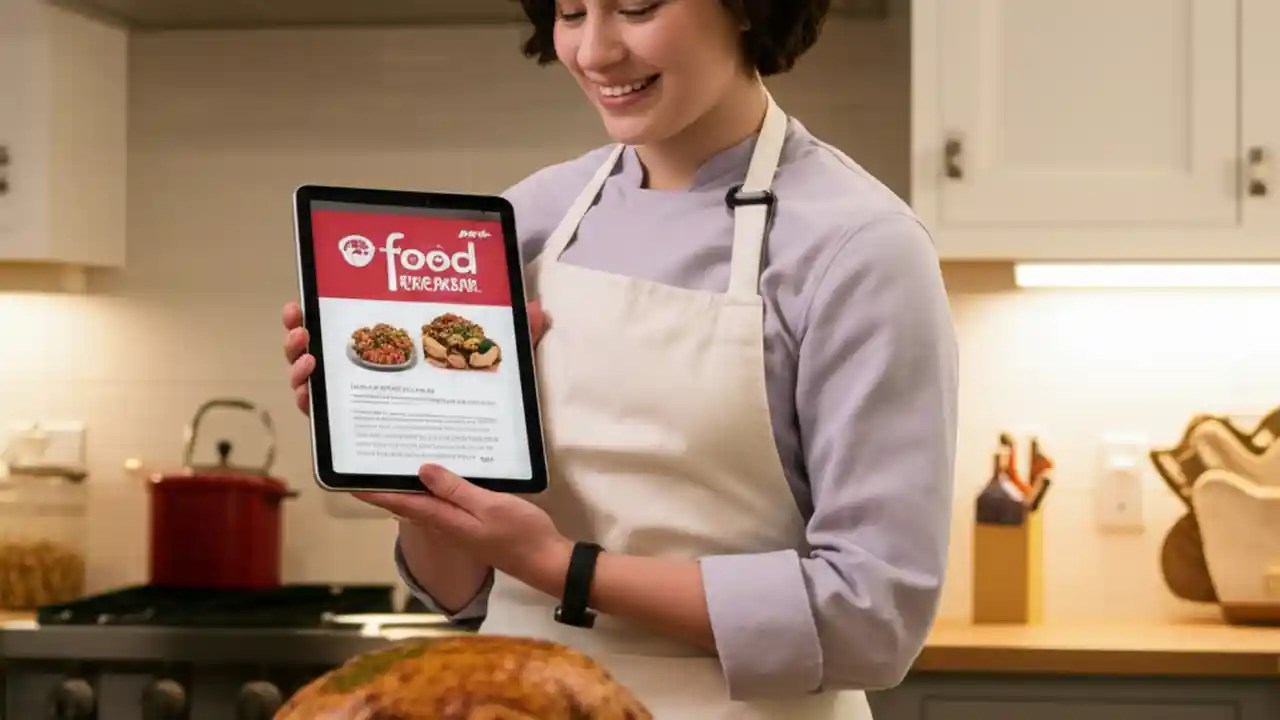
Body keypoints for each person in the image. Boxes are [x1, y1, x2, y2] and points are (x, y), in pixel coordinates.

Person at [281, 0, 959, 716]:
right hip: (522, 702)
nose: (594, 52)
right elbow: (464, 593)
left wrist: (562, 567)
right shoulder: (530, 221)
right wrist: (414, 471)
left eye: (636, 7)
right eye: (571, 12)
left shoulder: (860, 248)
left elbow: (871, 621)